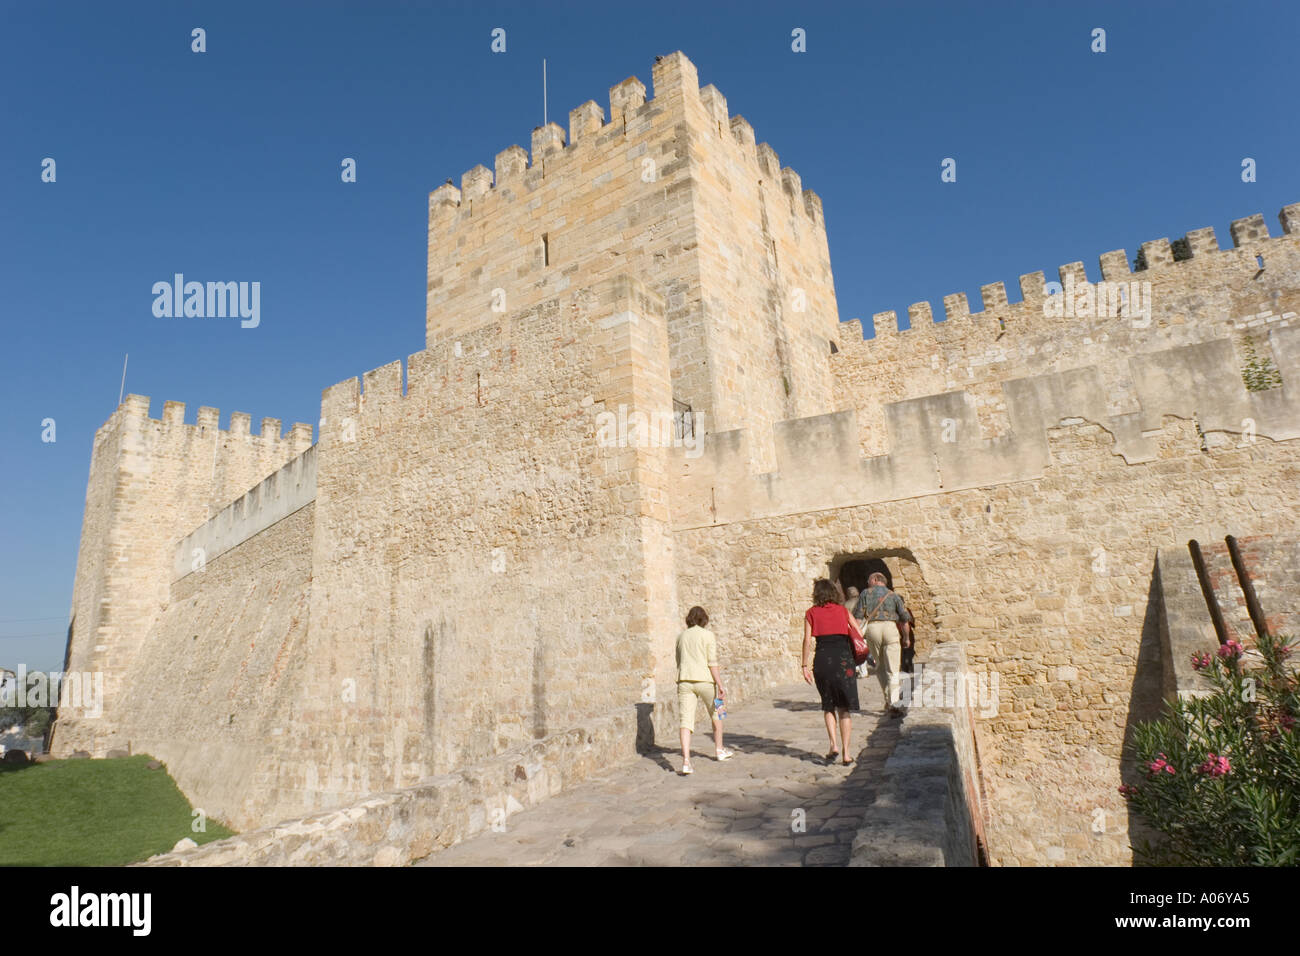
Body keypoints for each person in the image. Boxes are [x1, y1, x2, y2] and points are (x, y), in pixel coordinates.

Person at [803, 578, 862, 765]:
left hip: (822, 661)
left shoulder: (811, 613)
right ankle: (846, 753)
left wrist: (804, 665)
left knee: (828, 705)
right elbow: (858, 632)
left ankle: (833, 745)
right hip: (844, 661)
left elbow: (806, 640)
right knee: (844, 707)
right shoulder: (843, 611)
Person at [676, 606, 732, 775]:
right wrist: (720, 684)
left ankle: (686, 761)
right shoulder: (708, 635)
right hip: (706, 680)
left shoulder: (681, 636)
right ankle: (719, 749)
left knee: (686, 720)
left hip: (685, 680)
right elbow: (712, 662)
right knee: (717, 713)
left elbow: (678, 660)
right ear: (704, 620)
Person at [854, 572, 909, 717]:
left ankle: (888, 700)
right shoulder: (894, 595)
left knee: (880, 667)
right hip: (890, 628)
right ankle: (894, 703)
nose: (867, 583)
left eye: (868, 580)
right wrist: (906, 637)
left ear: (875, 579)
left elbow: (858, 617)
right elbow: (904, 619)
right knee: (893, 669)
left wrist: (856, 636)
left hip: (873, 629)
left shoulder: (865, 593)